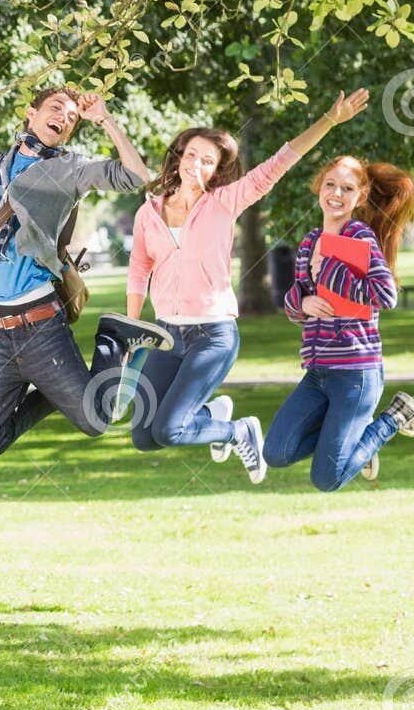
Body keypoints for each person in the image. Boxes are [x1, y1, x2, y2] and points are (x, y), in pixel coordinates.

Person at [0, 44, 173, 457]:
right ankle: (58, 391)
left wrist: (104, 119)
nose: (64, 118)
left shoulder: (72, 169)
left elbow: (136, 176)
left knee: (94, 419)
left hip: (41, 328)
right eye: (55, 108)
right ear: (30, 114)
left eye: (71, 118)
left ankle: (113, 336)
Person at [126, 92, 372, 479]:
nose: (197, 165)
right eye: (192, 155)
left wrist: (328, 119)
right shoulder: (149, 211)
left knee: (169, 428)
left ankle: (239, 430)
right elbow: (139, 267)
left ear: (217, 171)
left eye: (208, 161)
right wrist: (133, 326)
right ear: (178, 156)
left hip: (212, 334)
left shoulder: (224, 202)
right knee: (143, 436)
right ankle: (213, 416)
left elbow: (279, 162)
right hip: (165, 334)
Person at [264, 156, 414, 489]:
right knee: (276, 452)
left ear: (360, 197)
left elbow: (385, 294)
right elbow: (294, 305)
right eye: (330, 184)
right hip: (317, 372)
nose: (336, 193)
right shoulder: (308, 242)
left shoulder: (359, 237)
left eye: (347, 188)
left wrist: (330, 270)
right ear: (319, 187)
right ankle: (356, 446)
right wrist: (302, 302)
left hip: (356, 375)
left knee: (326, 479)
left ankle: (395, 418)